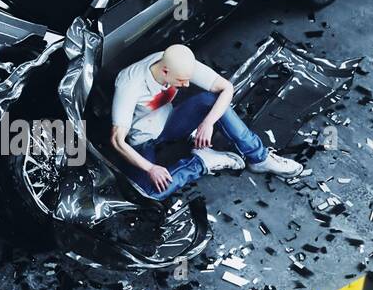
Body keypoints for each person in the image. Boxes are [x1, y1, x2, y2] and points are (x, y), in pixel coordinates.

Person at [109, 44, 303, 199]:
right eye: (182, 81)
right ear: (165, 71)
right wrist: (150, 168)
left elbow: (226, 88)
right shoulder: (129, 83)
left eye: (187, 80)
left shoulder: (179, 61)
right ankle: (203, 161)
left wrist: (207, 123)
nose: (186, 85)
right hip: (142, 140)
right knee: (149, 192)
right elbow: (116, 141)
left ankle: (259, 158)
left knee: (211, 100)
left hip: (170, 123)